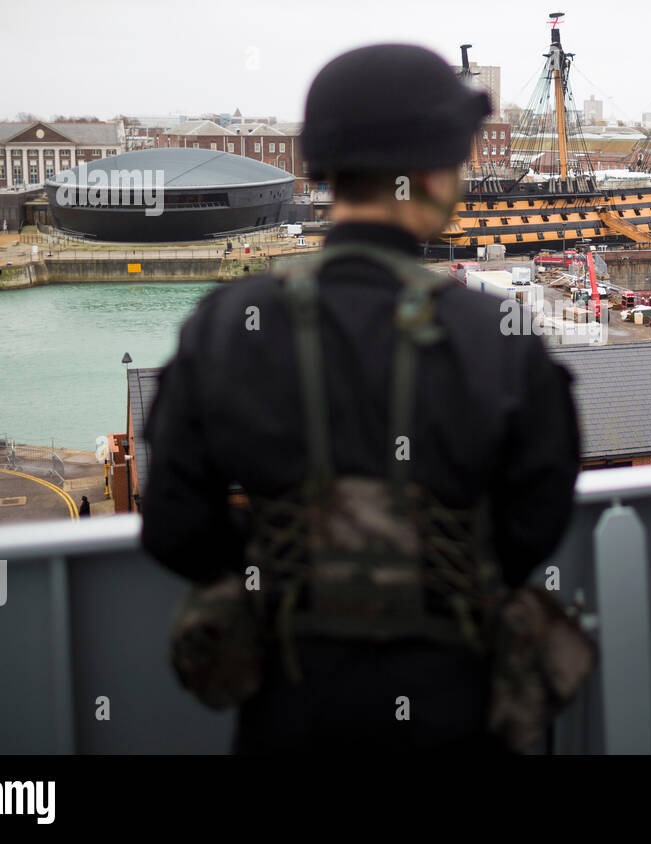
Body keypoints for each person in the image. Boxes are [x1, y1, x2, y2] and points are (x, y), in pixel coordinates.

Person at [140, 44, 581, 754]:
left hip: (289, 710)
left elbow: (171, 524)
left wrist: (285, 560)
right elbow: (534, 527)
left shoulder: (226, 327)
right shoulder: (498, 336)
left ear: (324, 167)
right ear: (432, 172)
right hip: (456, 704)